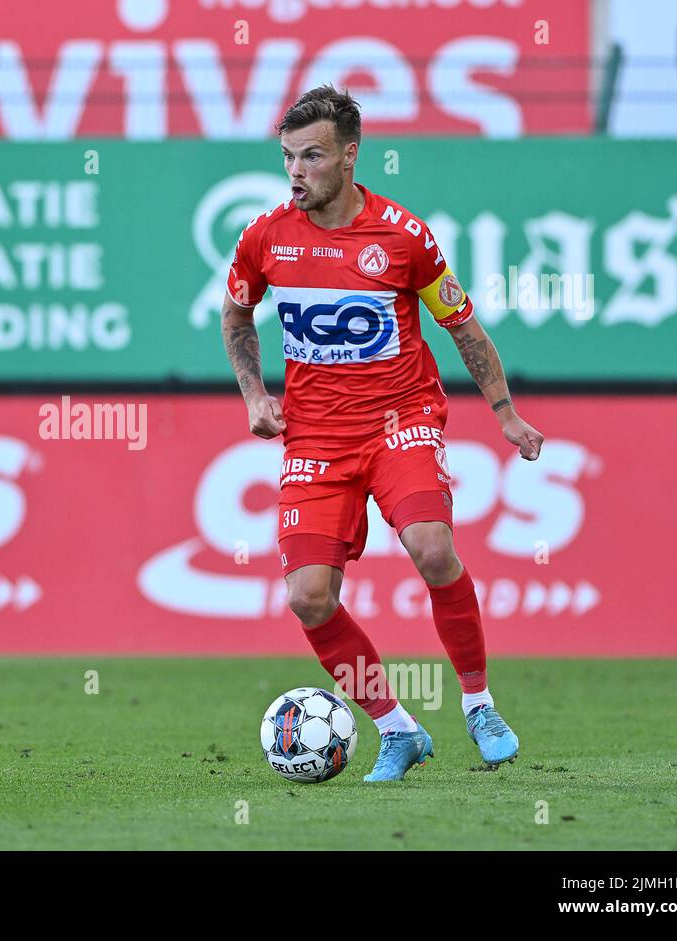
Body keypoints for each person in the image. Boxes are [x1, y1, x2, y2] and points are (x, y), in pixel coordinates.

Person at [221, 86, 544, 781]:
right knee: (308, 597)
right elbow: (236, 317)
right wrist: (254, 393)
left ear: (349, 155)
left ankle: (479, 705)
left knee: (432, 547)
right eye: (287, 157)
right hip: (314, 438)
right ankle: (398, 729)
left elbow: (462, 325)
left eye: (311, 156)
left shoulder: (404, 237)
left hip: (402, 421)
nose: (296, 172)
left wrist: (505, 412)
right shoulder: (265, 238)